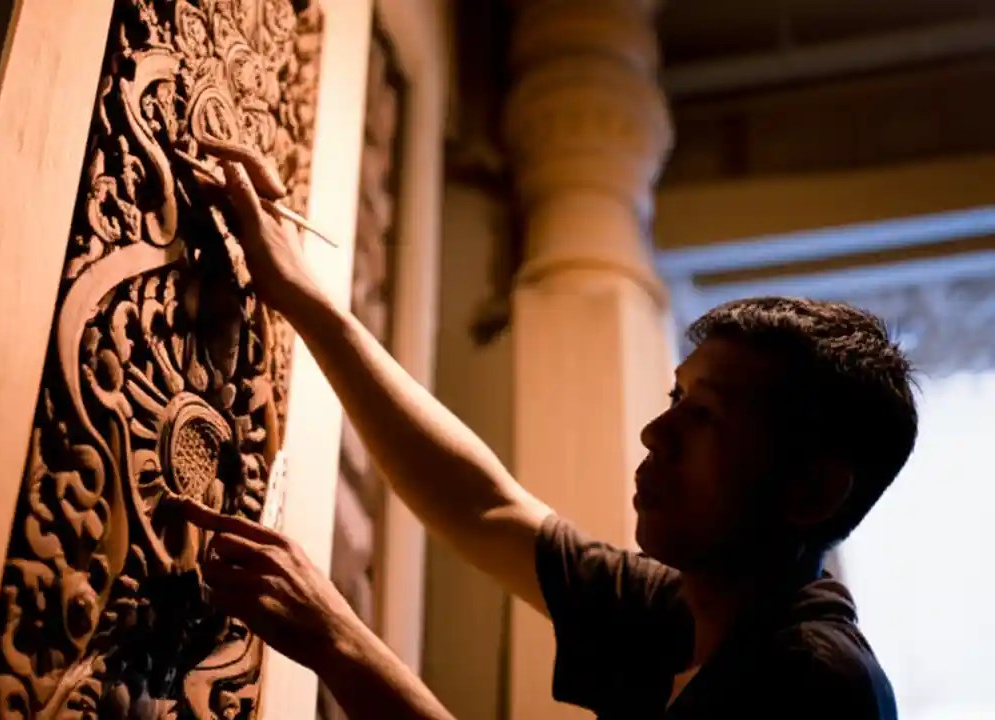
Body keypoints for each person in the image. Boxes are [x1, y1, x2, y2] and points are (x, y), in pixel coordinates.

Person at [175, 147, 917, 719]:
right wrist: (305, 296)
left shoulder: (815, 685)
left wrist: (335, 637)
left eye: (706, 416)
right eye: (675, 398)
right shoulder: (690, 610)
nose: (655, 433)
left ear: (810, 491)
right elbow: (482, 507)